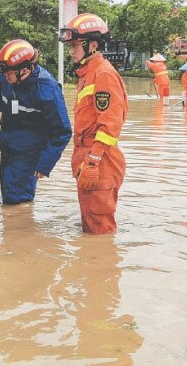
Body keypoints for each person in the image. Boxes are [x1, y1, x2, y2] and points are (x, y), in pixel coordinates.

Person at [59, 13, 128, 234]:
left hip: (100, 160)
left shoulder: (103, 74)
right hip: (89, 157)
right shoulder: (88, 74)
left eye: (75, 45)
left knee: (100, 231)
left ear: (93, 45)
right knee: (91, 225)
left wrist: (93, 160)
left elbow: (110, 124)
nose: (71, 50)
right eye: (70, 46)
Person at [0, 39, 72, 205]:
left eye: (7, 72)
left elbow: (62, 131)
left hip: (29, 153)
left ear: (24, 71)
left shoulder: (47, 90)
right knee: (7, 192)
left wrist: (45, 163)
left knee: (16, 201)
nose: (4, 76)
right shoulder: (5, 80)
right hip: (7, 146)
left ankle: (20, 220)